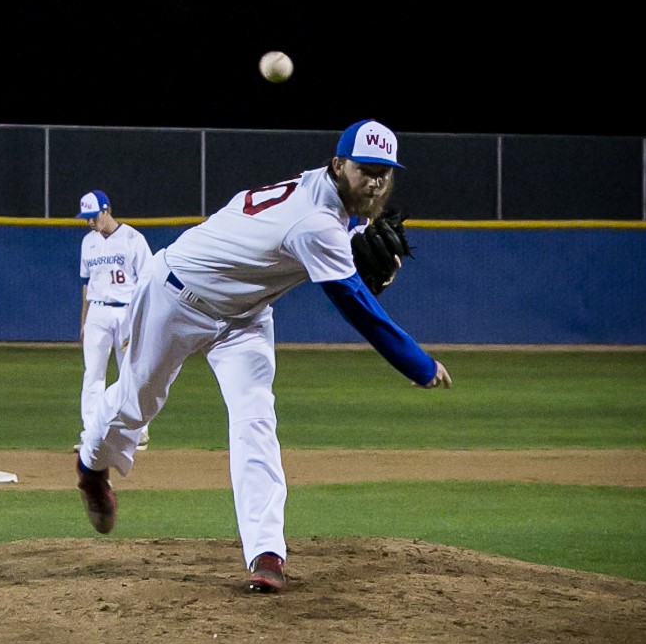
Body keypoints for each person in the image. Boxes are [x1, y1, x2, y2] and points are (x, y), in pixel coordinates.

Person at [75, 120, 452, 593]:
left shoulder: (329, 198)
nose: (376, 181)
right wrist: (417, 363)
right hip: (175, 295)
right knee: (137, 402)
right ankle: (91, 467)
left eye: (385, 172)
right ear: (339, 165)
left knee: (256, 416)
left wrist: (356, 249)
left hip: (244, 316)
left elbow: (339, 242)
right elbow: (356, 307)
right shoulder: (316, 223)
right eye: (366, 169)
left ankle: (266, 551)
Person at [74, 190, 155, 453]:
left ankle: (138, 431)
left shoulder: (133, 239)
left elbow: (147, 283)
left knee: (130, 372)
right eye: (86, 218)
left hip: (127, 311)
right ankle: (92, 433)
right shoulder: (88, 242)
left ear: (106, 210)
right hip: (97, 311)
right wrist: (84, 320)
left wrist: (140, 321)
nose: (90, 222)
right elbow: (86, 284)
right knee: (93, 375)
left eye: (93, 216)